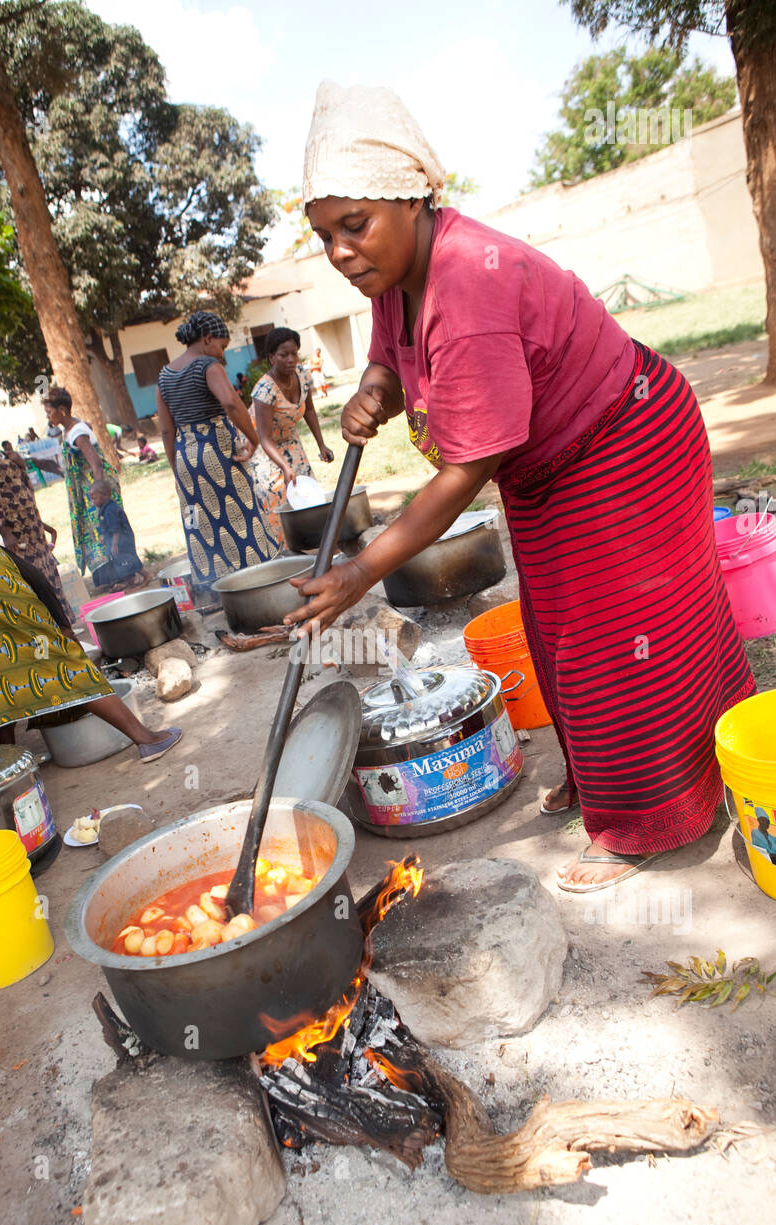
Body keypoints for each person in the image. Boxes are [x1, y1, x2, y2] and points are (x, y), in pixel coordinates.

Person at [286, 80, 755, 895]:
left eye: (354, 226)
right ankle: (609, 779)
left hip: (626, 444)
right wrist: (373, 387)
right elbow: (393, 357)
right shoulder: (396, 276)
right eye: (324, 234)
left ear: (415, 199)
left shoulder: (467, 284)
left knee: (625, 641)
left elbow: (464, 470)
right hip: (551, 468)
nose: (340, 252)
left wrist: (361, 572)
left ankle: (648, 817)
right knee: (560, 633)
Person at [0, 539, 182, 760]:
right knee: (61, 664)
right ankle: (146, 739)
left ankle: (10, 768)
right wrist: (64, 634)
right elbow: (40, 583)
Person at [154, 309, 277, 593]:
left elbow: (165, 430)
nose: (223, 354)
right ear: (207, 339)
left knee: (205, 526)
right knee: (241, 514)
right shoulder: (208, 366)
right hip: (217, 449)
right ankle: (257, 582)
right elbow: (231, 404)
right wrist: (254, 438)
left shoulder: (164, 376)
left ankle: (221, 587)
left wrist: (178, 469)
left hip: (186, 454)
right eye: (222, 346)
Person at [0, 402, 71, 616]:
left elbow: (22, 491)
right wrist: (5, 532)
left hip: (30, 525)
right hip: (11, 531)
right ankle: (47, 626)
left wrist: (20, 465)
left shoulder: (4, 455)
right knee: (31, 580)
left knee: (47, 572)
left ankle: (63, 624)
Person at [41, 387, 137, 592]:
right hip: (91, 490)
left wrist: (100, 499)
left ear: (62, 410)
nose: (48, 416)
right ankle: (112, 577)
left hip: (98, 488)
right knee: (95, 533)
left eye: (50, 411)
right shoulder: (69, 430)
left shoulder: (77, 432)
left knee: (107, 529)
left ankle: (126, 575)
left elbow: (95, 462)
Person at [249, 327, 335, 547]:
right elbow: (264, 438)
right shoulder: (264, 390)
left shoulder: (303, 375)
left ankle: (317, 548)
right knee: (278, 503)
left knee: (307, 495)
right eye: (283, 355)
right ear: (271, 358)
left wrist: (321, 445)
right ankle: (287, 556)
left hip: (290, 442)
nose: (290, 359)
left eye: (293, 353)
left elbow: (309, 411)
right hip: (263, 449)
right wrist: (285, 468)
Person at [88, 480, 144, 590]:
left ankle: (145, 576)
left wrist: (114, 544)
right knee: (122, 564)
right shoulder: (105, 509)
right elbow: (109, 528)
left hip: (122, 542)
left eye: (94, 498)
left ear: (104, 496)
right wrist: (106, 539)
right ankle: (131, 583)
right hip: (117, 541)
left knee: (127, 561)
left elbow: (116, 529)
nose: (92, 501)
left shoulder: (109, 510)